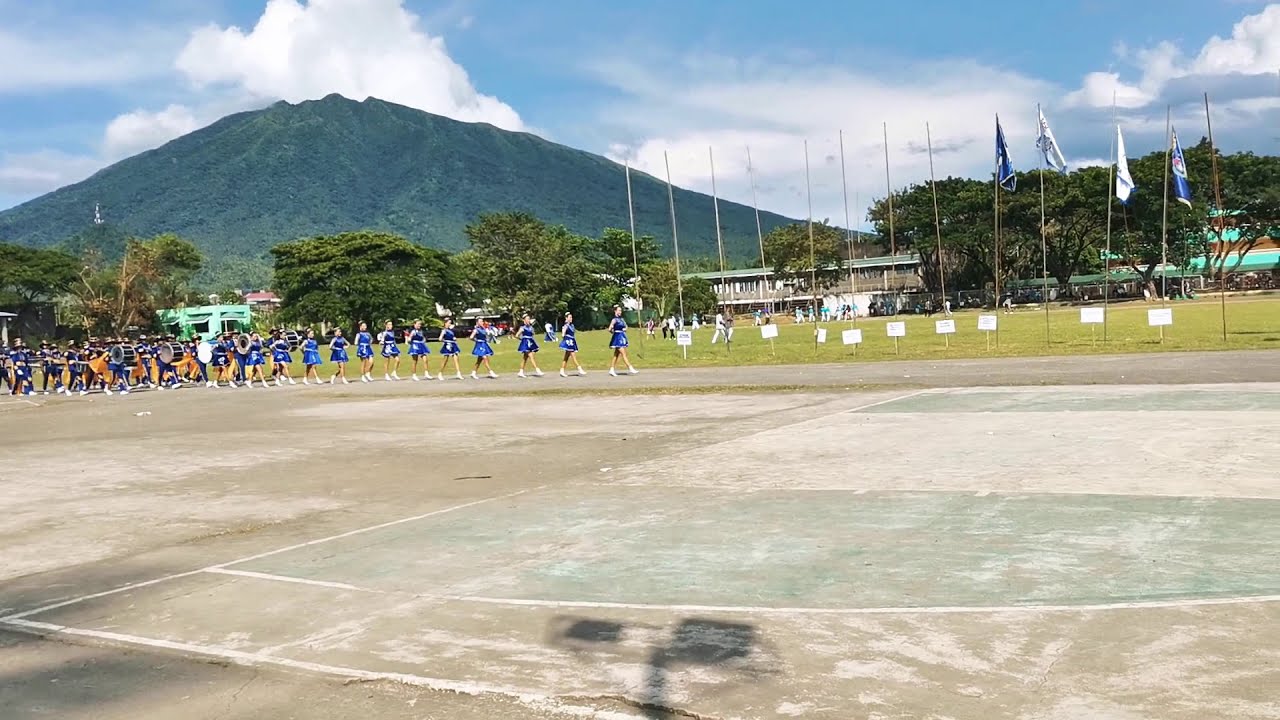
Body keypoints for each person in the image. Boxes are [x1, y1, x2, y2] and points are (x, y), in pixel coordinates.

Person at [607, 306, 638, 377]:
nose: (620, 312)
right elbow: (609, 329)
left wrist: (625, 329)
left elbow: (626, 326)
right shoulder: (614, 320)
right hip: (617, 338)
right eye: (619, 310)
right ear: (615, 311)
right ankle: (630, 368)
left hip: (622, 336)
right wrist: (613, 331)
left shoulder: (622, 319)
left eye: (620, 310)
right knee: (624, 353)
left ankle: (611, 369)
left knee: (616, 355)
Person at [558, 311, 585, 377]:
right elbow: (563, 334)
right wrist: (564, 334)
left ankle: (562, 370)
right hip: (568, 342)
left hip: (572, 341)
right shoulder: (566, 325)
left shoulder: (572, 325)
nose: (571, 318)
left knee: (566, 357)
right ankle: (579, 368)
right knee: (573, 355)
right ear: (566, 318)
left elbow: (574, 331)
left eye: (571, 317)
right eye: (570, 317)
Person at [515, 314, 543, 378]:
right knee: (531, 356)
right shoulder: (522, 328)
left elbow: (532, 334)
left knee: (525, 358)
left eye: (529, 319)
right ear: (524, 320)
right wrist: (521, 339)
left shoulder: (531, 327)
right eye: (527, 319)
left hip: (530, 343)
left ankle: (521, 372)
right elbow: (516, 335)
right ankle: (537, 370)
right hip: (525, 343)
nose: (528, 320)